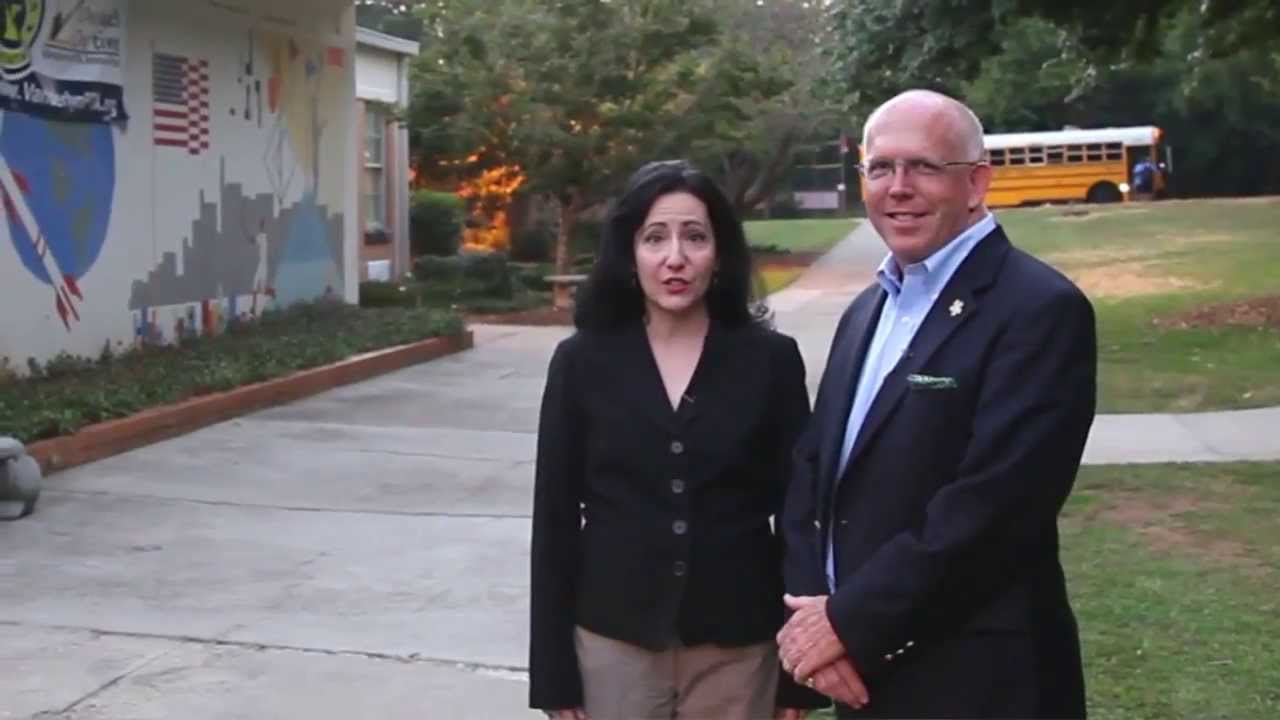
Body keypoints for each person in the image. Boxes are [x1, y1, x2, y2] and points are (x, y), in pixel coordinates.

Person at [777, 90, 1097, 719]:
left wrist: (845, 623)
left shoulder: (1038, 310)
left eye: (923, 167)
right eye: (881, 168)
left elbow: (997, 505)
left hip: (978, 680)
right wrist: (814, 619)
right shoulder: (866, 311)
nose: (899, 187)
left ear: (977, 182)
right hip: (862, 678)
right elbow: (814, 474)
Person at [529, 160, 825, 720]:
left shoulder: (770, 362)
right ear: (629, 253)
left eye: (695, 237)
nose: (675, 258)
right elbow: (555, 521)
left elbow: (799, 517)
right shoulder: (582, 363)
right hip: (613, 642)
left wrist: (798, 677)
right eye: (655, 238)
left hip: (739, 646)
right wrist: (553, 677)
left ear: (720, 253)